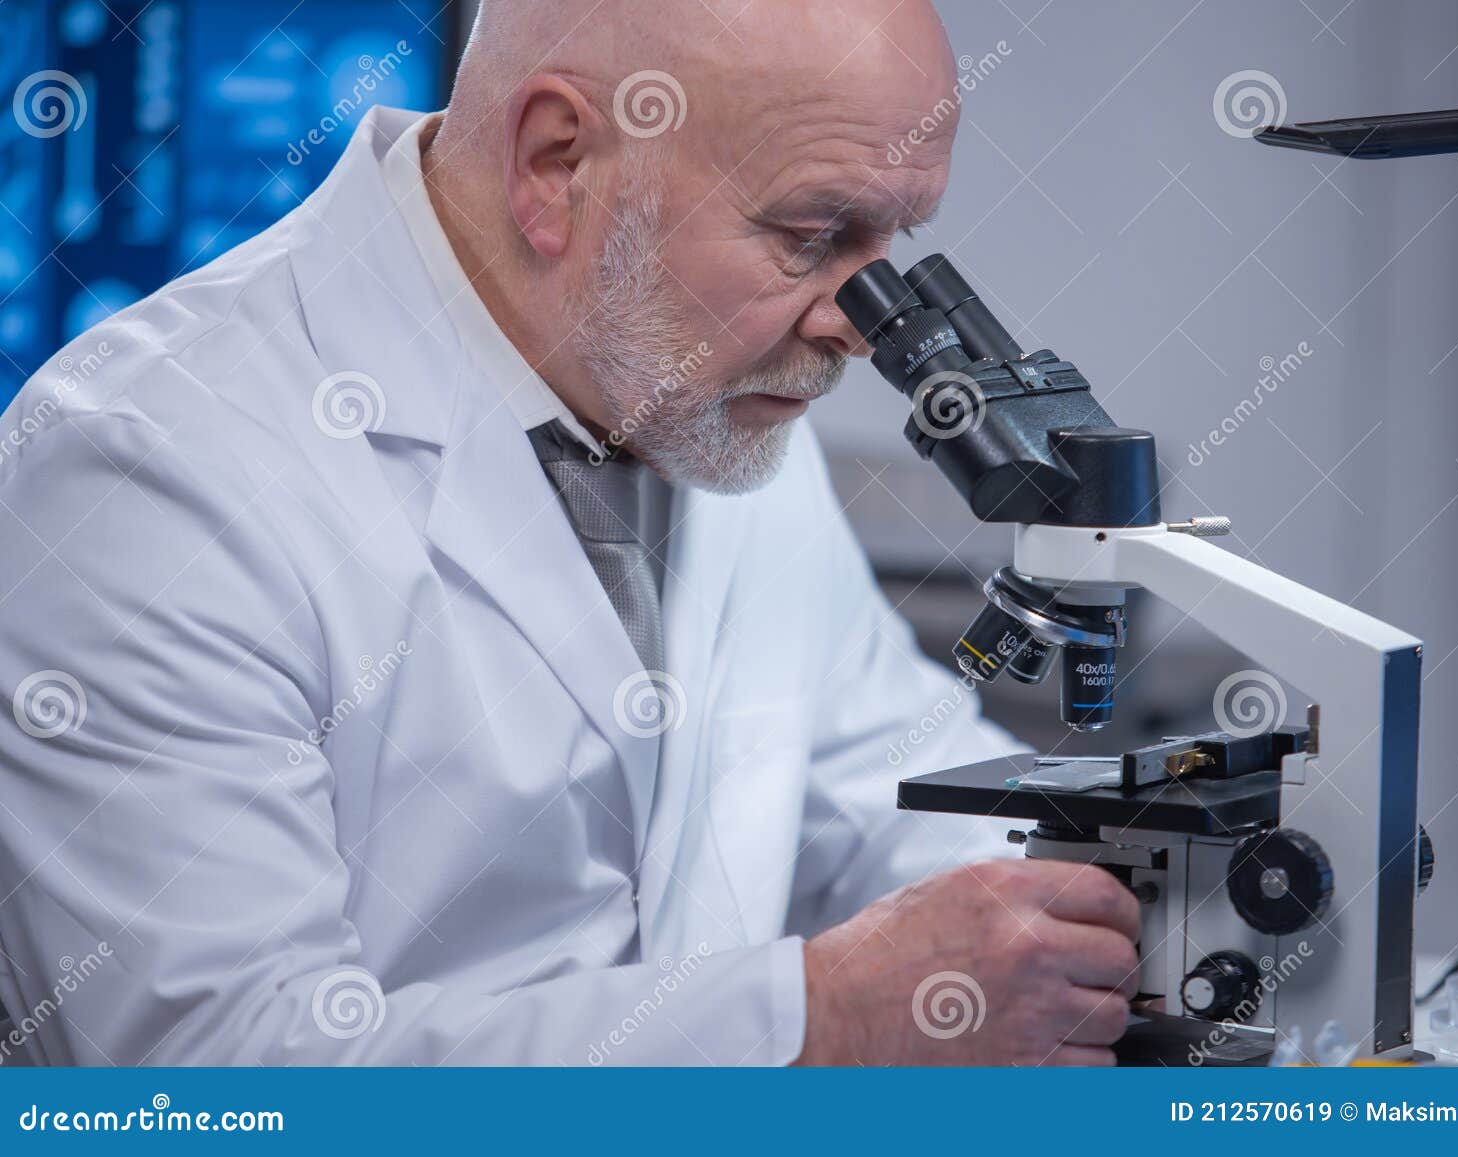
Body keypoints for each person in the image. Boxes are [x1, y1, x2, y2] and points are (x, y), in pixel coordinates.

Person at [0, 0, 1138, 1066]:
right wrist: (820, 1016)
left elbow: (894, 789)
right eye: (812, 232)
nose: (857, 324)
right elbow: (219, 1076)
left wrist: (1079, 916)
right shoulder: (147, 472)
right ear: (557, 163)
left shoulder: (707, 406)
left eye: (891, 242)